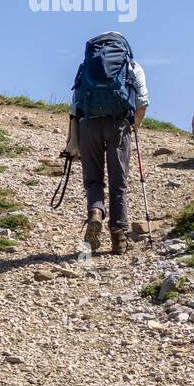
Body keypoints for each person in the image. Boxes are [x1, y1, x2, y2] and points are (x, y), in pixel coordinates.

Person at [71, 32, 148, 255]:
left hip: (88, 126)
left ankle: (95, 212)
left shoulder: (85, 66)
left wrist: (74, 143)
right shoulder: (131, 65)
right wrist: (134, 125)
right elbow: (143, 100)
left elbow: (74, 104)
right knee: (118, 182)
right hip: (118, 126)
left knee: (93, 179)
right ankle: (119, 239)